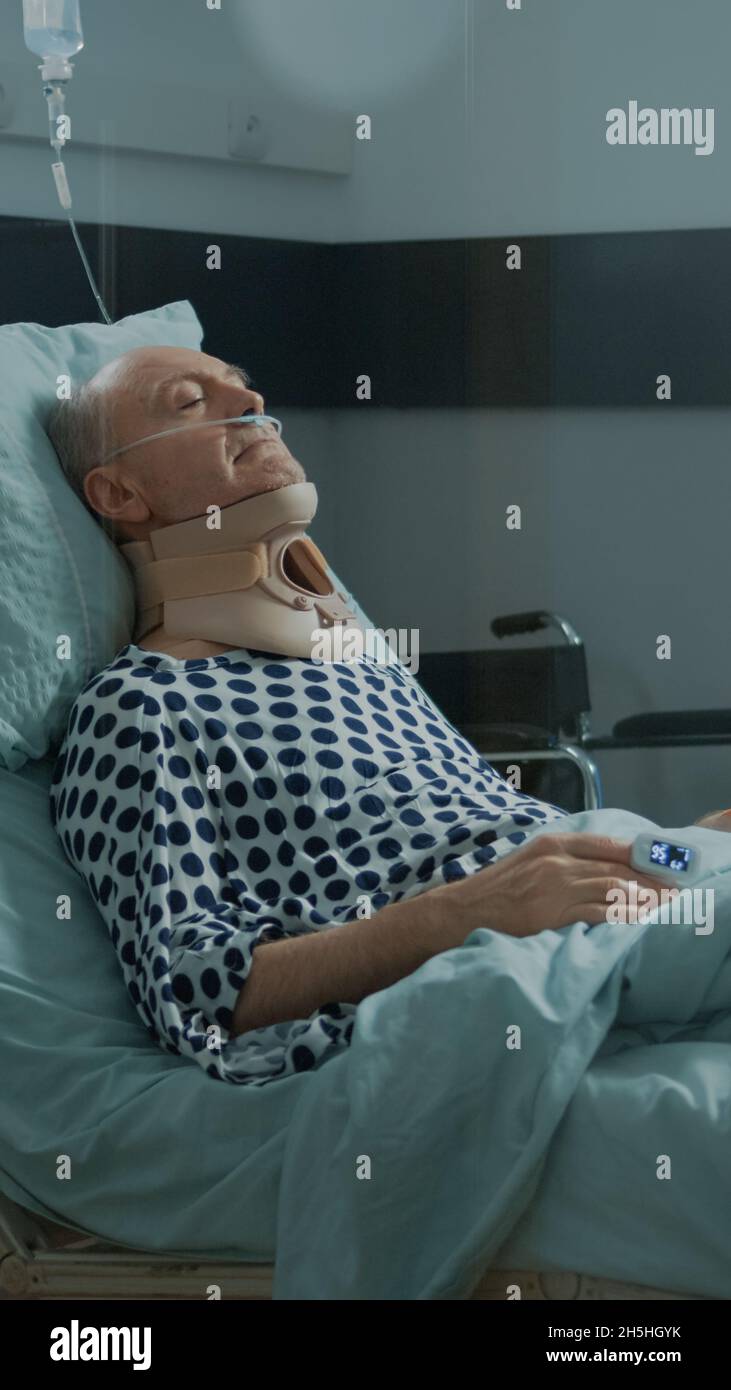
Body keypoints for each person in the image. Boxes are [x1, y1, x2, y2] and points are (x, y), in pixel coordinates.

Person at [46, 345, 692, 1085]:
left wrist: (685, 846)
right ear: (119, 493)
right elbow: (198, 994)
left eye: (246, 388)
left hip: (622, 872)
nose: (252, 407)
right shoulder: (138, 708)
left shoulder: (357, 657)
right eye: (192, 402)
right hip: (509, 958)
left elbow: (509, 836)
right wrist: (461, 914)